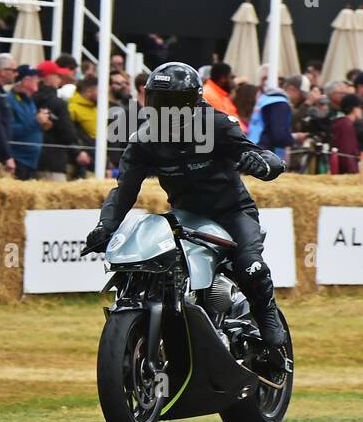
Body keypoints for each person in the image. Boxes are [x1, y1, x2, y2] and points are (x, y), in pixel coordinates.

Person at [84, 62, 288, 346]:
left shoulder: (218, 124)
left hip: (232, 212)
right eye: (158, 101)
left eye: (173, 103)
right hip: (185, 217)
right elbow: (124, 190)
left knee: (249, 264)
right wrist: (105, 226)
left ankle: (266, 315)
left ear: (194, 102)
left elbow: (260, 156)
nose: (165, 110)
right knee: (155, 261)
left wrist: (264, 163)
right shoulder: (145, 139)